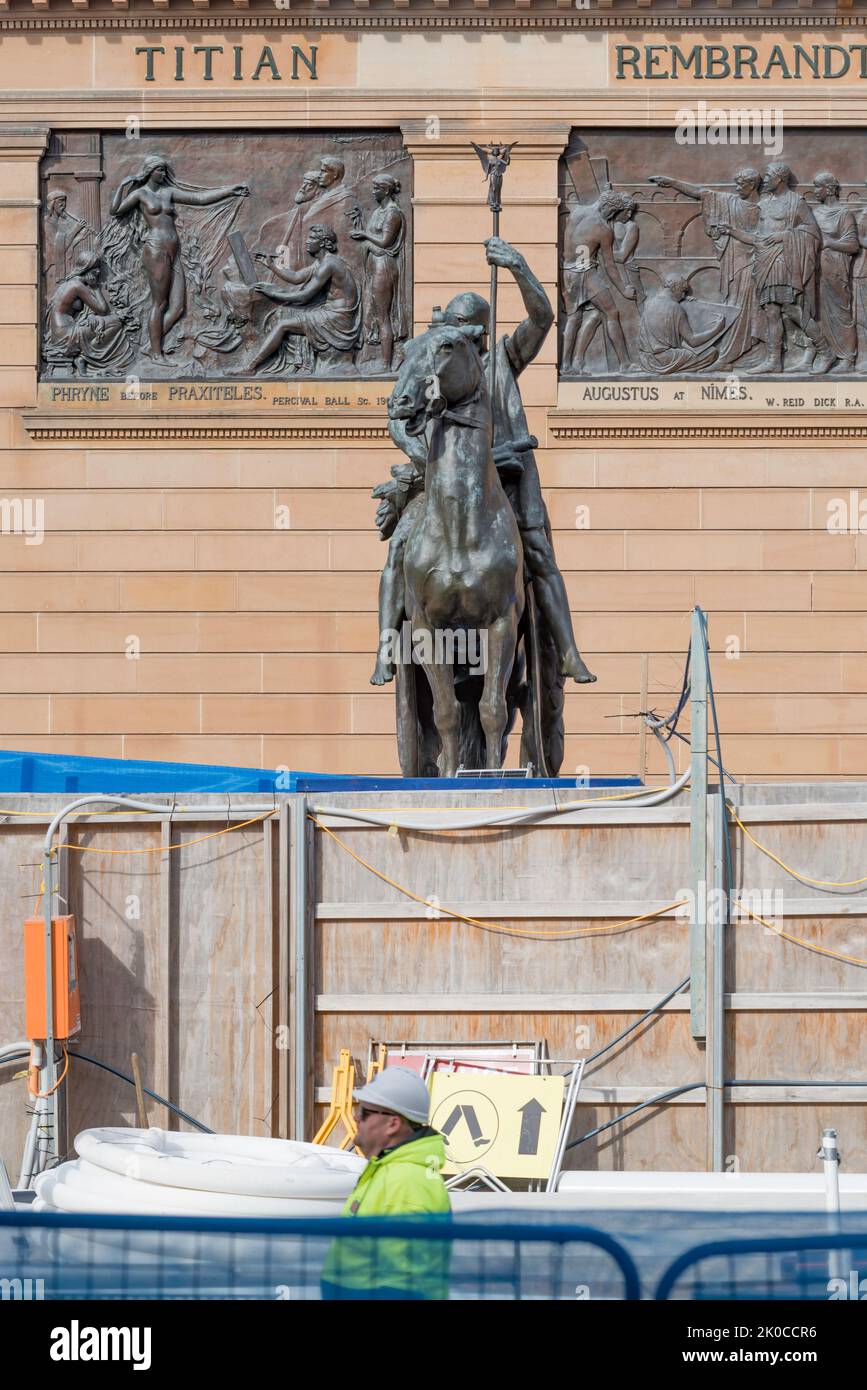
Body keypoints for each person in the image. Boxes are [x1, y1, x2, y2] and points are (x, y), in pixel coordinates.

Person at [371, 234, 596, 689]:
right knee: (399, 548)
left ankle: (568, 652)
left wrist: (516, 265)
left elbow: (542, 318)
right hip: (439, 485)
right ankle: (386, 644)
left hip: (509, 485)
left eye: (467, 330)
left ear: (481, 334)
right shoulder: (429, 365)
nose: (457, 338)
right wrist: (427, 461)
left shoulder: (503, 362)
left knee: (539, 556)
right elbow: (398, 420)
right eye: (451, 328)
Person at [320, 1067, 451, 1301]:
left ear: (392, 1124)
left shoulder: (407, 1183)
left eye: (365, 1112)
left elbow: (401, 1283)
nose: (356, 1117)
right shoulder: (389, 1171)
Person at [109, 154, 248, 361]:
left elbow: (199, 199)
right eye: (160, 170)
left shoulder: (168, 192)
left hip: (173, 251)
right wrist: (122, 186)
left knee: (178, 307)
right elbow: (115, 211)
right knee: (159, 304)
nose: (163, 173)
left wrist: (230, 191)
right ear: (149, 171)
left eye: (165, 170)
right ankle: (157, 354)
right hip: (156, 249)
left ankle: (150, 345)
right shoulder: (140, 195)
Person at [241, 223, 361, 373]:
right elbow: (297, 277)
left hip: (337, 318)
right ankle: (300, 363)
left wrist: (273, 294)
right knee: (285, 312)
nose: (307, 241)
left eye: (312, 238)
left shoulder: (329, 264)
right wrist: (271, 266)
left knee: (282, 324)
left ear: (323, 243)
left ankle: (251, 367)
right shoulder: (322, 262)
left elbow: (304, 296)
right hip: (329, 311)